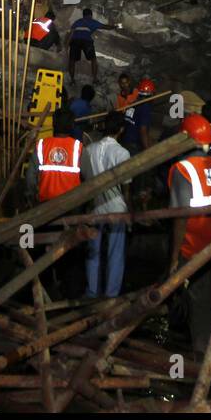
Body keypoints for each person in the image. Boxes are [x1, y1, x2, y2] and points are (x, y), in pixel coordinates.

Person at [168, 114, 211, 355]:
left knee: (198, 306)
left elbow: (180, 217)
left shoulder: (182, 169)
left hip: (194, 250)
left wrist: (174, 259)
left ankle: (201, 361)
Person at [82, 111, 130, 298]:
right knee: (115, 254)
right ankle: (111, 295)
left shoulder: (89, 150)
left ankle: (91, 292)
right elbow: (126, 187)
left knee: (93, 252)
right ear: (121, 129)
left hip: (95, 207)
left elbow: (84, 179)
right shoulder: (122, 153)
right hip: (117, 209)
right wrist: (131, 211)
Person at [28, 109, 83, 203]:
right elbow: (90, 178)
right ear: (72, 126)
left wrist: (31, 196)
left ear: (53, 124)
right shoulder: (78, 147)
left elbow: (30, 177)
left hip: (46, 204)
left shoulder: (41, 145)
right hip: (72, 205)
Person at [67, 7, 116, 82]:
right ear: (90, 15)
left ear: (83, 15)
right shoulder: (92, 21)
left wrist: (67, 45)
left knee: (72, 61)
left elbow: (71, 34)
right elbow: (106, 27)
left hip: (75, 41)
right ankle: (95, 79)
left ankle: (72, 79)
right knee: (93, 59)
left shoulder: (77, 22)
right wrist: (114, 27)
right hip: (86, 41)